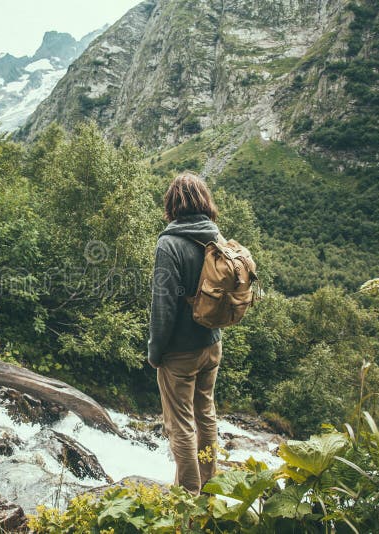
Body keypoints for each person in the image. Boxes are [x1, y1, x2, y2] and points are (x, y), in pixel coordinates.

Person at [148, 171, 223, 496]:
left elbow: (162, 306)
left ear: (171, 204)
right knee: (205, 416)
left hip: (180, 353)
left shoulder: (169, 244)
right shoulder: (216, 237)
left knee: (180, 425)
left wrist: (155, 351)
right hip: (212, 344)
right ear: (204, 201)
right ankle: (210, 488)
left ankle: (188, 497)